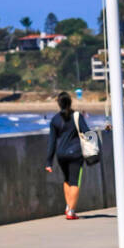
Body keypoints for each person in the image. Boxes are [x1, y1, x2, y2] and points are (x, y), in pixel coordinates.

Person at [45, 91, 89, 219]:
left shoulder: (55, 120)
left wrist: (49, 162)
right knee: (75, 181)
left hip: (61, 154)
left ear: (59, 104)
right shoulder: (77, 116)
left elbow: (52, 142)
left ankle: (68, 206)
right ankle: (71, 211)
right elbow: (86, 132)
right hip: (75, 154)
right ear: (70, 102)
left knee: (67, 180)